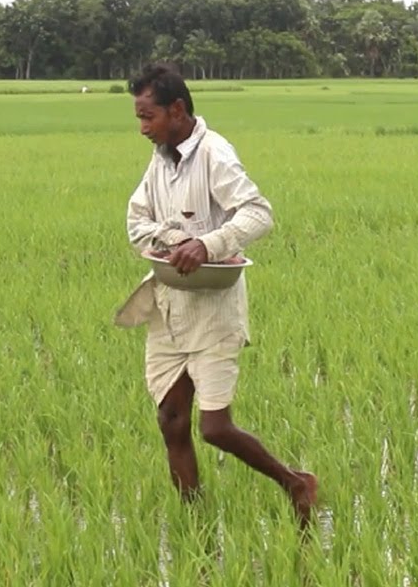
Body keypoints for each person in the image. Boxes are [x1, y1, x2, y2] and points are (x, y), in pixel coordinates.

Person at [113, 63, 318, 529]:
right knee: (170, 418)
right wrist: (175, 238)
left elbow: (258, 213)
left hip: (214, 310)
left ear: (177, 110)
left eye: (148, 117)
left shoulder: (214, 154)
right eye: (140, 118)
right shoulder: (161, 156)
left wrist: (208, 244)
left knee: (215, 428)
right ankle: (194, 519)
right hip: (169, 307)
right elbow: (136, 221)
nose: (143, 128)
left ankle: (295, 483)